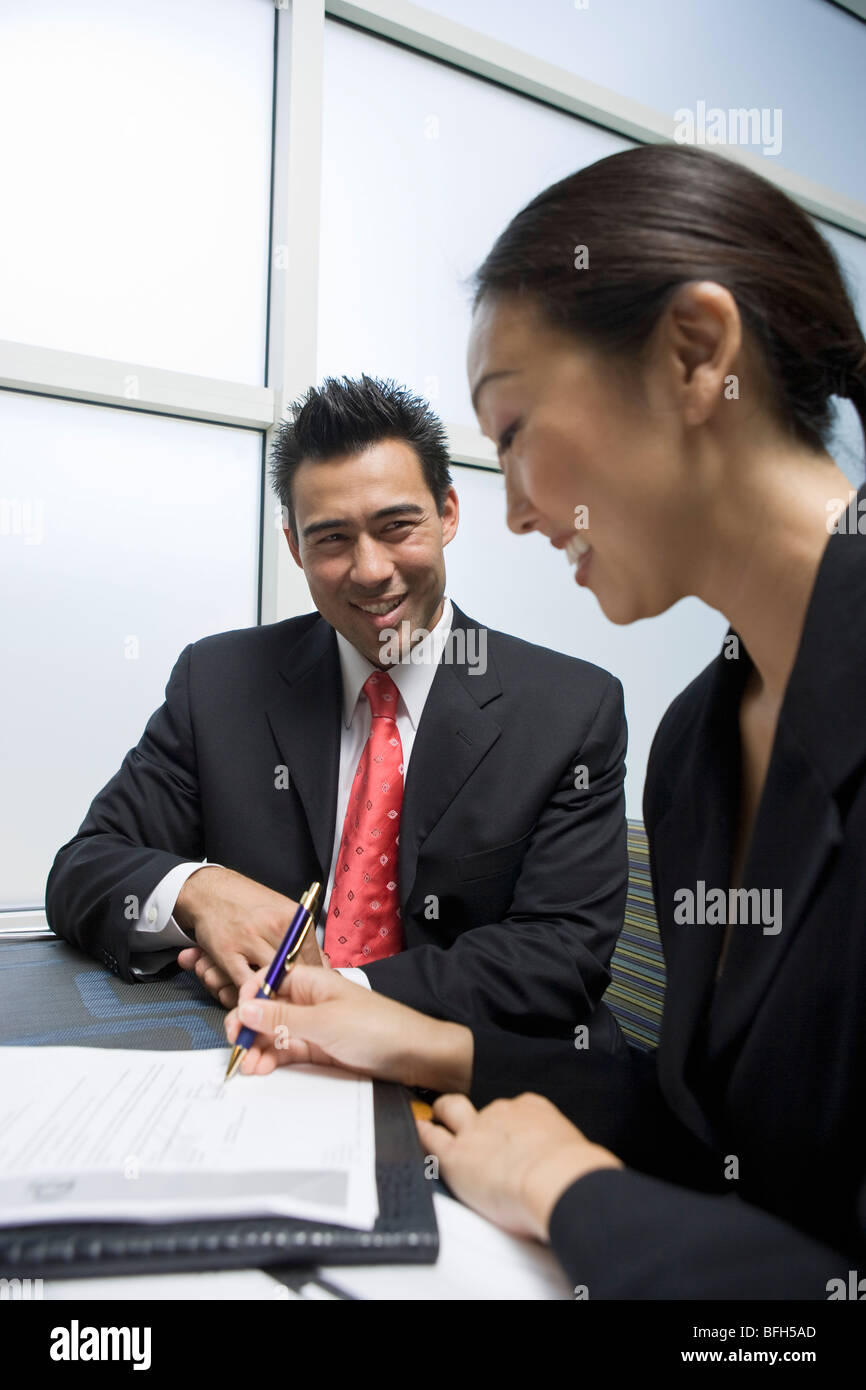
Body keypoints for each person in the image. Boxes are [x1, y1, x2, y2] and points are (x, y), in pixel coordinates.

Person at [225, 144, 866, 1298]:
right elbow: (718, 1143)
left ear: (691, 354)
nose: (515, 512)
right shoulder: (694, 748)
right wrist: (424, 1040)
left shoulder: (603, 720)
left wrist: (575, 1196)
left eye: (512, 430)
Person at [46, 376, 629, 1043]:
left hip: (480, 1083)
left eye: (397, 527)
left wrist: (335, 993)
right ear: (295, 547)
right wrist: (200, 891)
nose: (371, 569)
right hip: (260, 1071)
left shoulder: (571, 709)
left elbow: (559, 957)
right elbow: (83, 868)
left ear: (448, 514)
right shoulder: (219, 683)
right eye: (331, 540)